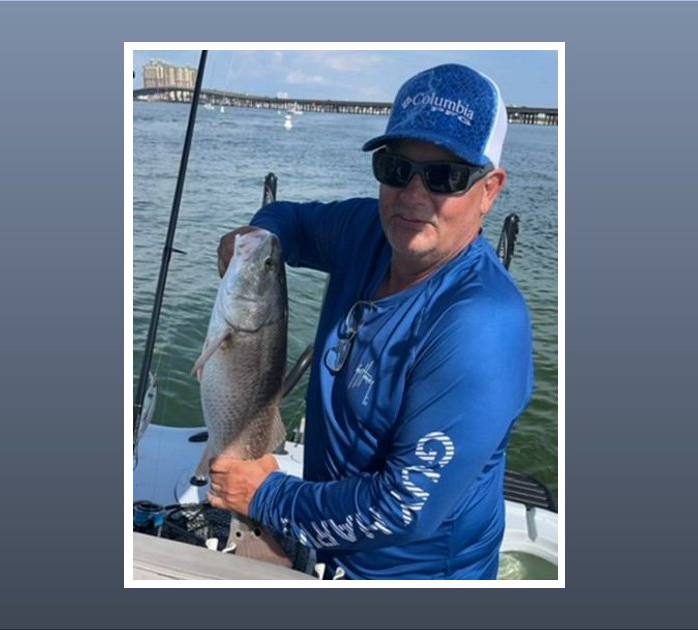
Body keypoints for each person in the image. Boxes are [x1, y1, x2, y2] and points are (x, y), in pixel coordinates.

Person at [207, 63, 533, 580]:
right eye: (396, 168)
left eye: (446, 176)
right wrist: (254, 240)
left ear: (489, 190)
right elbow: (289, 220)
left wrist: (266, 495)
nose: (413, 195)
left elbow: (403, 509)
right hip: (325, 542)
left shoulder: (482, 327)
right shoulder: (368, 229)